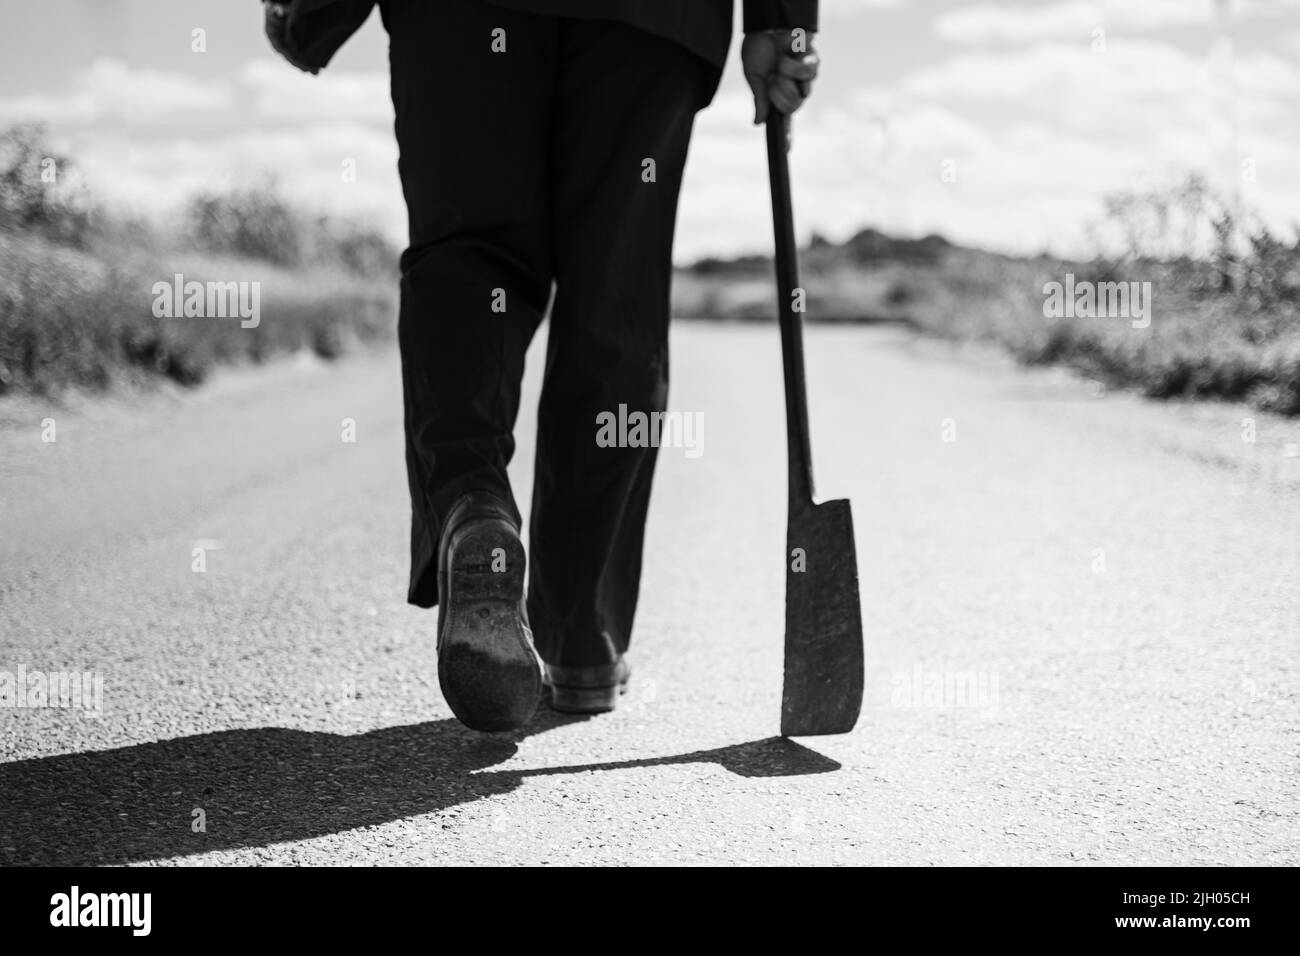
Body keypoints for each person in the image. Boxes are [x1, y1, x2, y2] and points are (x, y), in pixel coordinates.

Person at [265, 0, 820, 731]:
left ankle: (474, 502)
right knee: (614, 297)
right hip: (654, 23)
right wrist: (784, 18)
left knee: (470, 259)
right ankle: (582, 637)